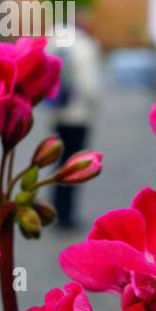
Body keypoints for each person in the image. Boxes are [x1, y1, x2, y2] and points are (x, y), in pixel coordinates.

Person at [49, 15, 102, 231]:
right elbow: (90, 85)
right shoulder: (84, 46)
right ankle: (67, 214)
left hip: (59, 112)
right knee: (74, 163)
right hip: (79, 115)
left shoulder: (53, 43)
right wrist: (93, 103)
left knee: (59, 162)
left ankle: (57, 209)